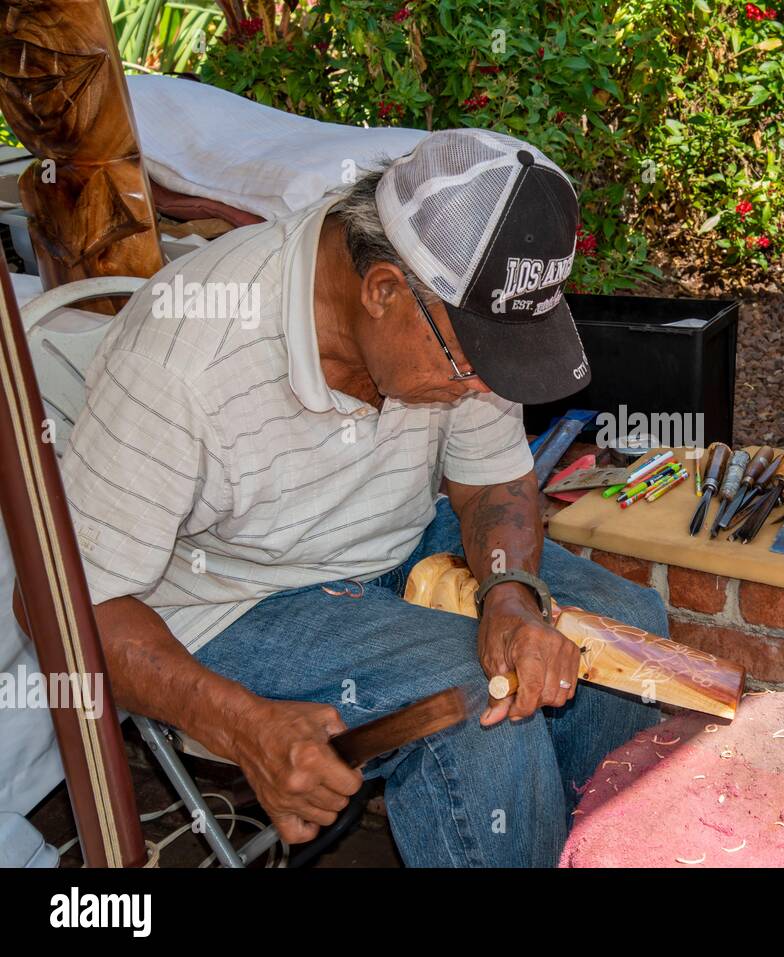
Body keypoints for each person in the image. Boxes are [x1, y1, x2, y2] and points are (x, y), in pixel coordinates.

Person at [58, 129, 664, 866]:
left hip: (398, 535)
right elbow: (69, 606)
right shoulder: (185, 356)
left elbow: (494, 483)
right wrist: (242, 723)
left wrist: (508, 593)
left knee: (621, 633)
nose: (484, 385)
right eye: (474, 363)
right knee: (472, 701)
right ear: (382, 291)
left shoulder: (449, 310)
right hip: (236, 594)